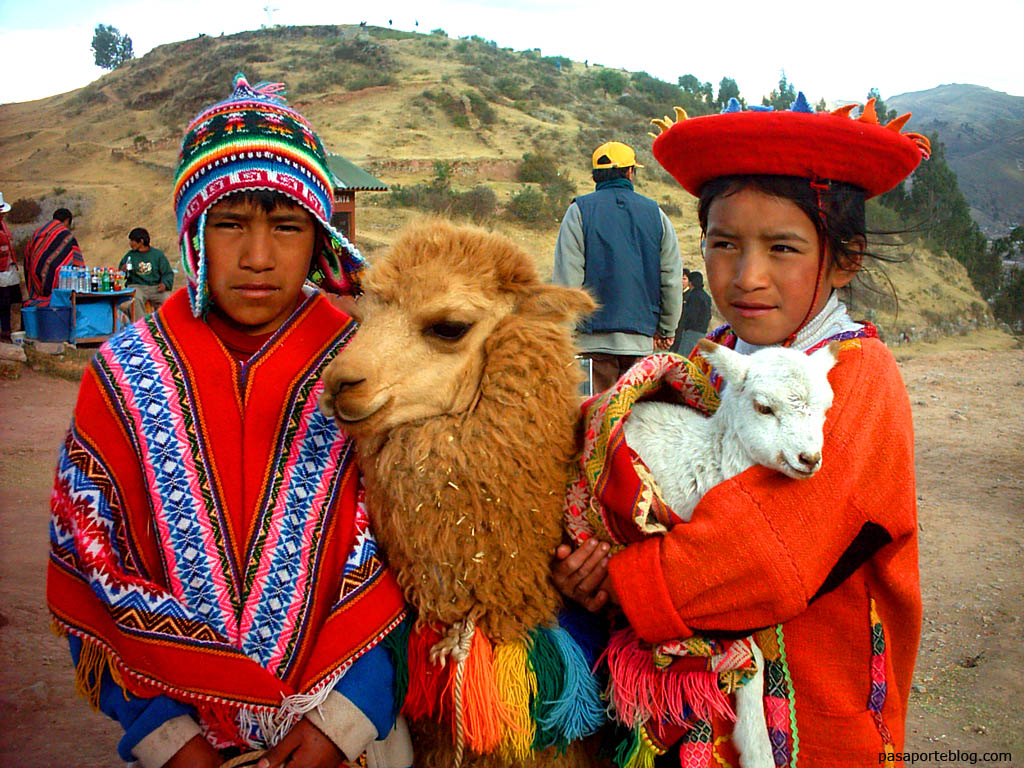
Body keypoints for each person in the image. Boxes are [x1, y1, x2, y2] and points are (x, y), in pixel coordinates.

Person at [47, 74, 411, 768]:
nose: (257, 257)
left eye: (286, 225)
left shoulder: (368, 365)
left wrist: (348, 716)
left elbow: (418, 554)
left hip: (351, 735)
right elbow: (90, 553)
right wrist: (165, 733)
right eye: (230, 222)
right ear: (193, 231)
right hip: (182, 739)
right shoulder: (125, 375)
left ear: (319, 236)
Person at [553, 95, 928, 765]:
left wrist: (623, 578)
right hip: (689, 713)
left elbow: (765, 552)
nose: (747, 276)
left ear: (844, 258)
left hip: (817, 721)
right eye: (725, 244)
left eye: (782, 248)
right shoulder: (713, 361)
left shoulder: (858, 379)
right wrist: (592, 547)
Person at [552, 141, 682, 391]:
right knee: (636, 424)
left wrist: (563, 335)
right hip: (641, 350)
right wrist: (666, 329)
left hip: (591, 347)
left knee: (592, 422)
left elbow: (568, 282)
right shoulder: (657, 215)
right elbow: (672, 279)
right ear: (630, 172)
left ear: (595, 176)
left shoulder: (578, 211)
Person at [23, 207, 85, 306]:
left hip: (36, 286)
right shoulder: (66, 236)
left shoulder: (38, 233)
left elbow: (27, 258)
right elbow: (78, 264)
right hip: (57, 289)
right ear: (67, 220)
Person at [119, 226, 175, 317]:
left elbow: (167, 273)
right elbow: (121, 274)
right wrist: (123, 270)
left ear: (141, 241)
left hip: (155, 287)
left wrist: (165, 284)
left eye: (132, 241)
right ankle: (142, 326)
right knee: (136, 299)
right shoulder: (130, 255)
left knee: (168, 301)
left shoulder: (157, 255)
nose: (130, 243)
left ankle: (166, 327)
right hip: (137, 286)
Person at [669, 268, 712, 356]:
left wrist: (686, 326)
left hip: (691, 332)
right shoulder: (706, 296)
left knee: (683, 357)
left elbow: (690, 315)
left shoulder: (693, 295)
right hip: (702, 332)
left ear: (690, 282)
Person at [0, 192, 22, 341]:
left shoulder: (2, 226)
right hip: (1, 271)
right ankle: (6, 330)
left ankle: (9, 330)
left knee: (10, 302)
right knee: (3, 302)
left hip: (7, 270)